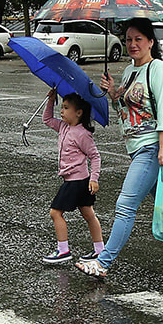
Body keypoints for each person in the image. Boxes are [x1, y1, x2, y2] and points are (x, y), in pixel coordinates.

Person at [76, 18, 163, 279]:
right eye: (128, 40)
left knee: (125, 205)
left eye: (138, 39)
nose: (132, 44)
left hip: (152, 146)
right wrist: (112, 93)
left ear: (151, 42)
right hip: (136, 147)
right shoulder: (129, 71)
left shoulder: (157, 69)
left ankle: (103, 262)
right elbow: (124, 110)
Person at [40, 89, 104, 265]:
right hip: (76, 180)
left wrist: (94, 178)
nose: (62, 111)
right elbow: (46, 119)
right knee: (88, 213)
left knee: (55, 213)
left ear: (79, 112)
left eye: (66, 107)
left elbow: (95, 156)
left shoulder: (82, 133)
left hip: (77, 181)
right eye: (62, 107)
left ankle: (63, 250)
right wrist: (51, 100)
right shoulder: (63, 126)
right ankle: (100, 250)